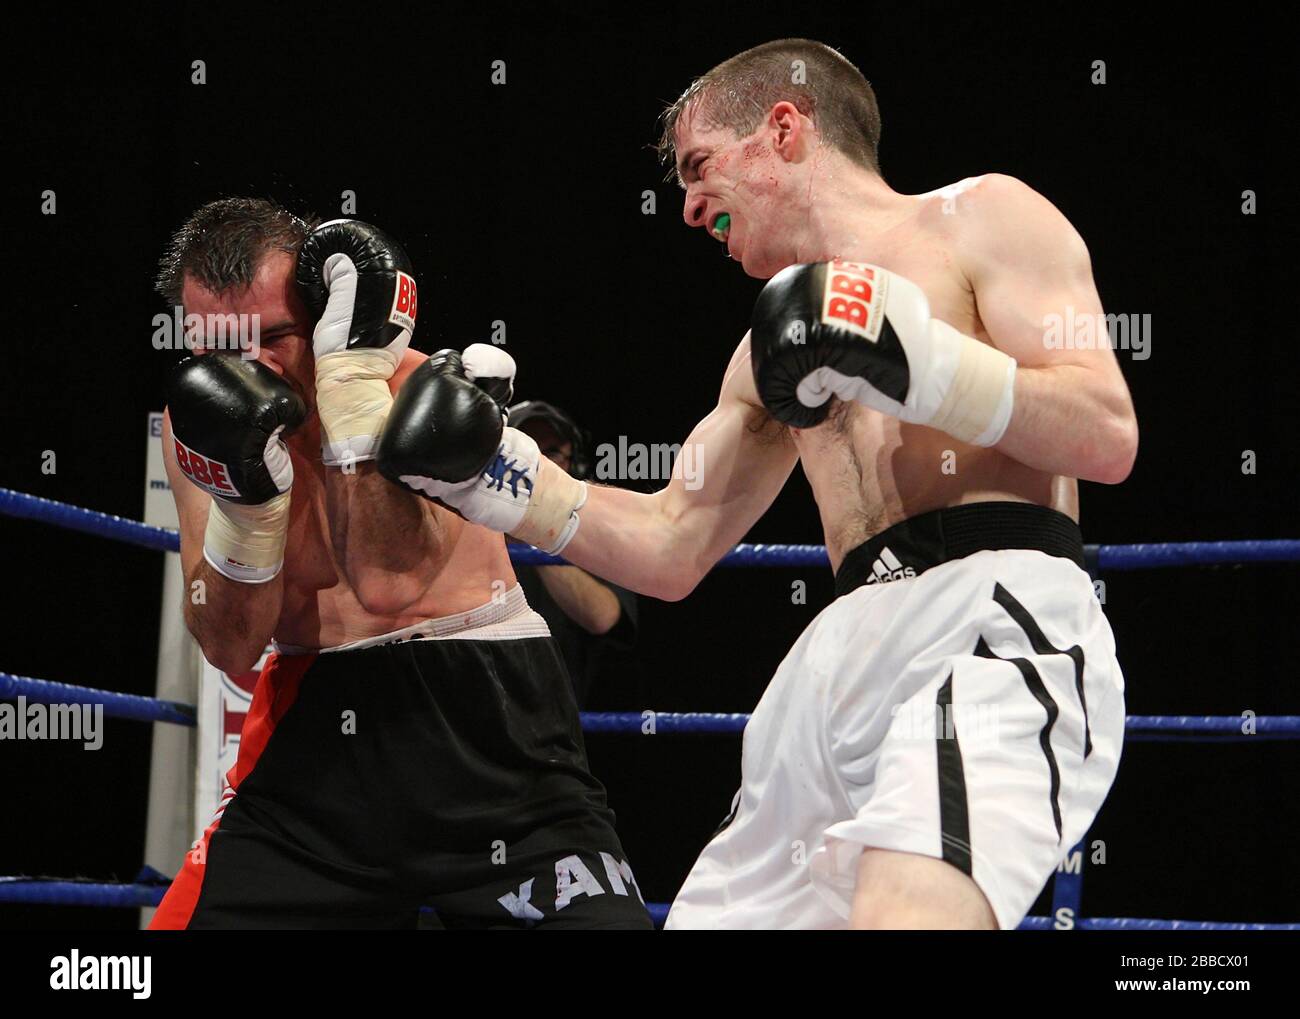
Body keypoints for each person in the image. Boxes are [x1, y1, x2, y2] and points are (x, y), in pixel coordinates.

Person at [375, 38, 1137, 930]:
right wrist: (503, 481)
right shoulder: (764, 350)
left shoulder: (981, 217)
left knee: (910, 911)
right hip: (838, 651)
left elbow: (1107, 431)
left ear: (784, 129)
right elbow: (671, 543)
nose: (691, 209)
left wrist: (919, 361)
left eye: (700, 168)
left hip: (990, 611)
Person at [148, 198, 649, 930]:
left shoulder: (415, 387)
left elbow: (389, 585)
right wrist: (248, 511)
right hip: (313, 752)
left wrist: (349, 407)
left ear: (321, 308)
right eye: (221, 347)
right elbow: (228, 645)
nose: (250, 367)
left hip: (484, 726)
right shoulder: (195, 428)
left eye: (276, 336)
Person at [507, 400, 638, 708]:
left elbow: (604, 617)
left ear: (573, 464)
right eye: (526, 450)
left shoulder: (596, 526)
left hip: (566, 717)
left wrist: (532, 534)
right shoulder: (470, 519)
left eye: (551, 451)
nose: (536, 463)